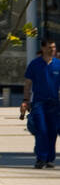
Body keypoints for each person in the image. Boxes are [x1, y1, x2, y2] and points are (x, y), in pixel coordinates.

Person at [22, 38, 60, 169]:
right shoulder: (35, 64)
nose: (52, 50)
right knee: (41, 130)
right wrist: (25, 101)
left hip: (55, 104)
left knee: (52, 132)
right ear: (43, 48)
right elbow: (28, 84)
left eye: (54, 47)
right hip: (39, 103)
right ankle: (41, 158)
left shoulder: (58, 64)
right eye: (50, 47)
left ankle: (50, 159)